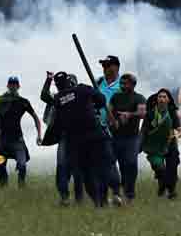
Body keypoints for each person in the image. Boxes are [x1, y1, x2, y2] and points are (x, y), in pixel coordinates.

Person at [49, 71, 110, 207]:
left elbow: (58, 122)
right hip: (95, 136)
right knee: (101, 169)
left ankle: (97, 201)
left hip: (75, 141)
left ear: (57, 86)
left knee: (86, 173)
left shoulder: (58, 99)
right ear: (70, 82)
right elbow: (101, 100)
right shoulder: (83, 89)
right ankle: (103, 200)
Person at [0, 76, 41, 188]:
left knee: (22, 165)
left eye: (15, 84)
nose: (13, 86)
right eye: (11, 84)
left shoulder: (23, 102)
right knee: (1, 166)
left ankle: (21, 186)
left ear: (18, 86)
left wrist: (39, 135)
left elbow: (35, 117)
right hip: (1, 139)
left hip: (17, 139)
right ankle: (4, 188)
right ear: (7, 85)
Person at [41, 72, 84, 205]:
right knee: (62, 167)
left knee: (78, 170)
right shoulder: (58, 98)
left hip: (79, 137)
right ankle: (64, 197)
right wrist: (48, 80)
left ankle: (78, 198)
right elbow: (44, 96)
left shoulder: (81, 96)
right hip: (64, 137)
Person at [107, 72, 147, 202]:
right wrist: (113, 121)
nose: (123, 85)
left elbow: (142, 113)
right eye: (121, 83)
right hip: (115, 136)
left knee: (129, 164)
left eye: (126, 83)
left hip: (132, 138)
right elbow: (109, 112)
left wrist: (129, 115)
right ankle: (116, 192)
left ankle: (129, 192)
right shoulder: (115, 97)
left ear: (133, 85)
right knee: (110, 162)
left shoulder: (139, 98)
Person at [93, 55, 126, 205]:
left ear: (116, 67)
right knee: (104, 161)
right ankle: (108, 194)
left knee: (115, 162)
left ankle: (117, 192)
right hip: (100, 128)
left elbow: (129, 104)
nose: (105, 68)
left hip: (118, 129)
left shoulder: (124, 84)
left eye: (108, 65)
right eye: (104, 66)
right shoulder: (98, 82)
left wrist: (117, 120)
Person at [142, 88, 181, 200]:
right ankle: (162, 187)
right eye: (160, 97)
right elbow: (144, 130)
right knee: (159, 168)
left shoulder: (172, 112)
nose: (162, 99)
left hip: (170, 144)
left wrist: (178, 133)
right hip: (155, 146)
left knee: (172, 168)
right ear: (157, 99)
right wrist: (140, 145)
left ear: (168, 100)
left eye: (164, 97)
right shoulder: (150, 114)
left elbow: (179, 128)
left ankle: (172, 192)